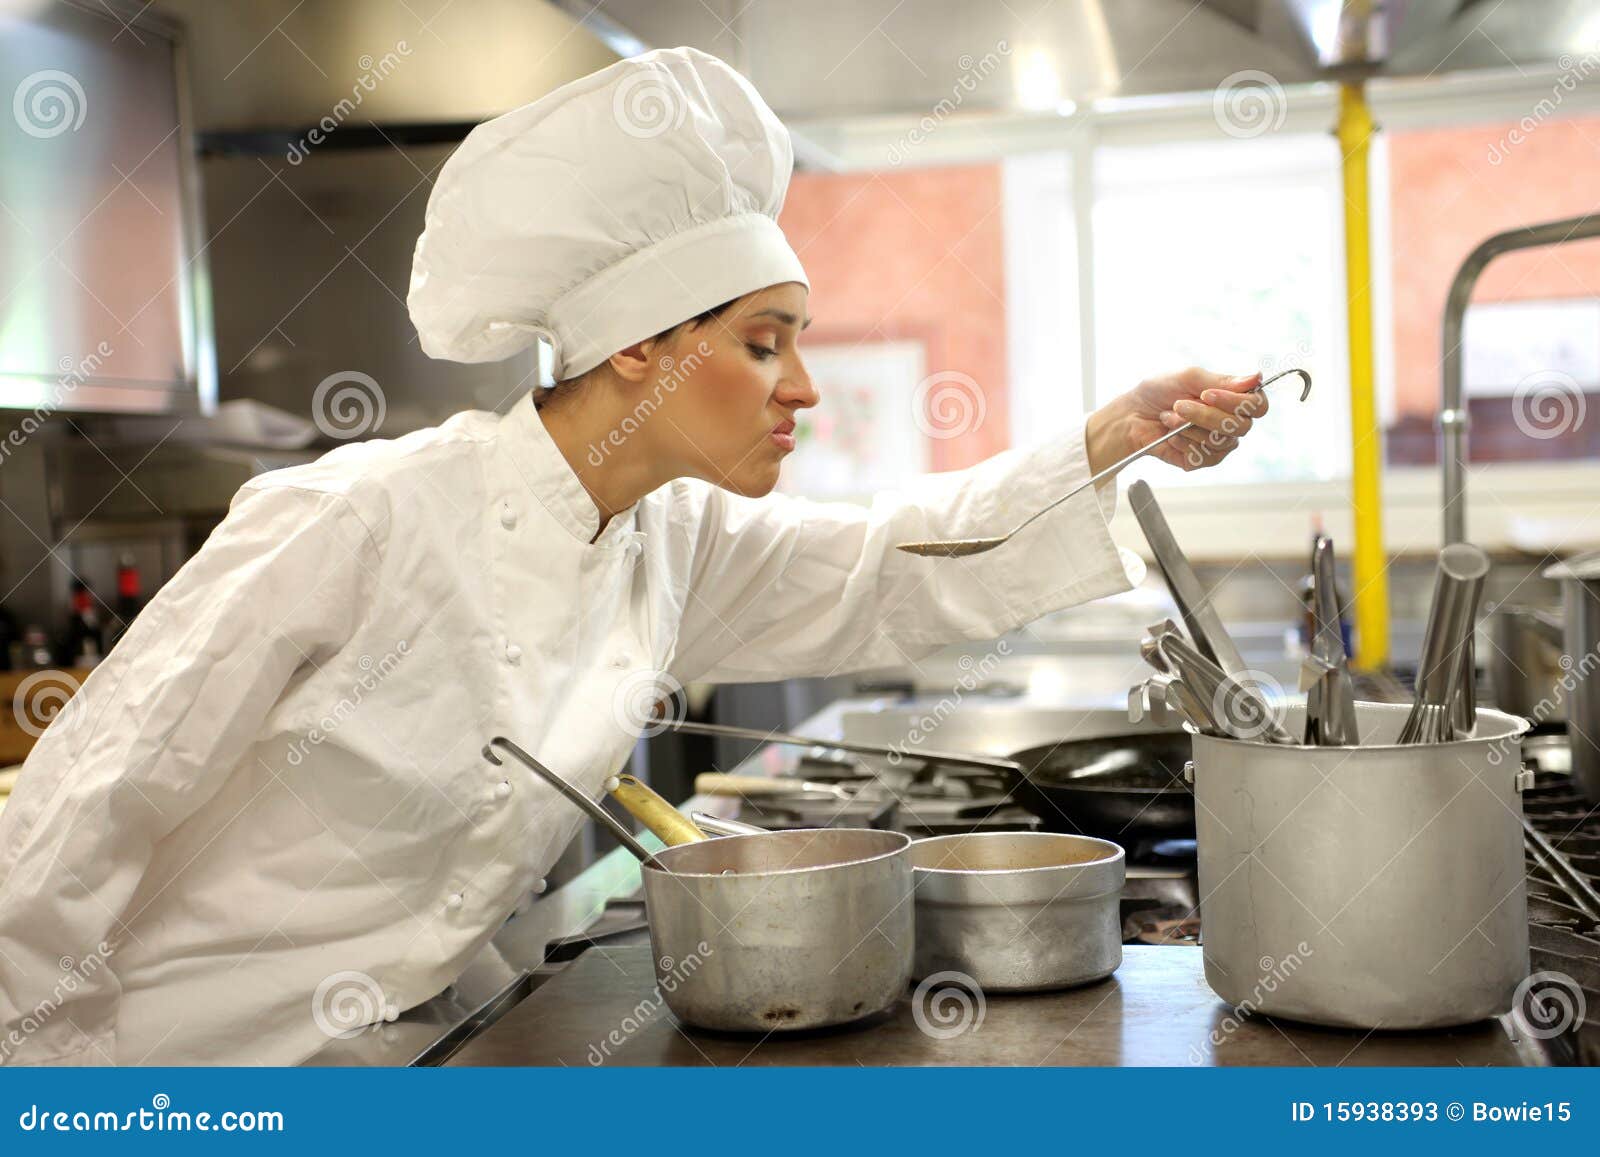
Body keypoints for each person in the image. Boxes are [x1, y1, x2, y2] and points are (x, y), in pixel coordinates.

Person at [0, 47, 1267, 1065]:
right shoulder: (356, 519)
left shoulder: (666, 535)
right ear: (636, 349)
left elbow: (884, 566)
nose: (802, 385)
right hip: (172, 1068)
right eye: (764, 341)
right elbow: (85, 807)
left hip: (401, 1047)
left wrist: (1111, 442)